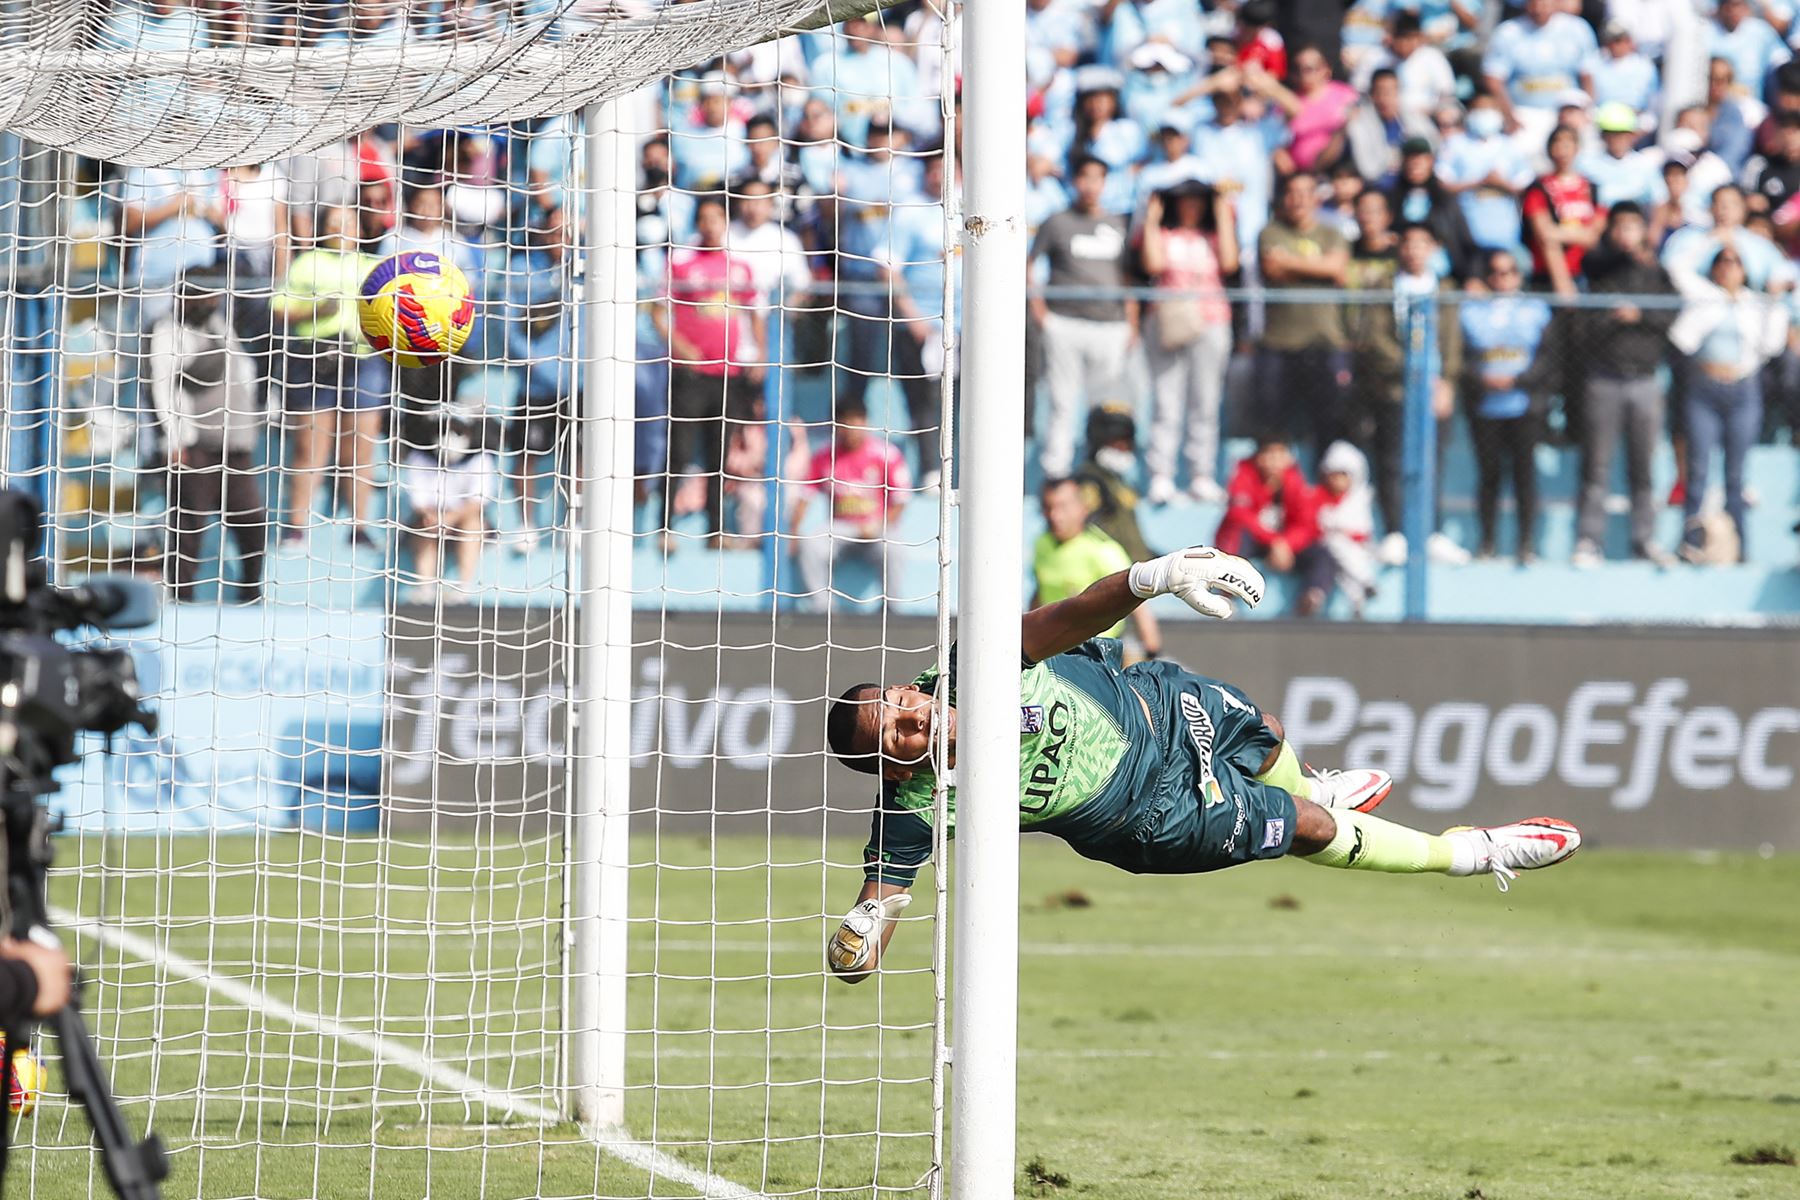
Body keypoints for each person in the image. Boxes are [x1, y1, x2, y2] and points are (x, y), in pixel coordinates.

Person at [822, 547, 1583, 982]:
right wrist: (858, 935)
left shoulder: (969, 665)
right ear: (896, 768)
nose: (916, 716)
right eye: (898, 735)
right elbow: (877, 916)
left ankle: (1310, 781)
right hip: (1149, 818)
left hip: (1152, 702)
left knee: (1268, 736)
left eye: (899, 702)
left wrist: (1155, 576)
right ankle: (1473, 852)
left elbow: (1070, 616)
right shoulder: (914, 809)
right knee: (1308, 827)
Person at [1346, 221, 1467, 567]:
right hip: (1395, 388)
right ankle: (1396, 531)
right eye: (1408, 243)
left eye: (1422, 244)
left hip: (1433, 389)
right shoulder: (1384, 287)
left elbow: (1452, 340)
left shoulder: (1443, 288)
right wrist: (1409, 365)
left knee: (1433, 462)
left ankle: (1431, 531)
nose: (1414, 250)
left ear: (1432, 249)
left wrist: (1446, 381)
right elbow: (1374, 337)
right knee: (1393, 460)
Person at [652, 194, 765, 545]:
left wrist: (760, 353)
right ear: (697, 223)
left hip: (728, 374)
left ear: (725, 223)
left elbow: (753, 313)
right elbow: (657, 309)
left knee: (720, 454)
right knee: (680, 451)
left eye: (717, 218)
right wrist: (679, 346)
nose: (711, 225)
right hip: (691, 374)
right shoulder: (681, 263)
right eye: (705, 218)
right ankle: (664, 528)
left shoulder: (740, 267)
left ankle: (715, 530)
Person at [1667, 244, 1790, 562]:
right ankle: (1691, 543)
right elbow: (1676, 266)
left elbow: (1772, 345)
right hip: (1704, 389)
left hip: (1742, 391)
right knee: (1698, 470)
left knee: (1736, 476)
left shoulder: (1756, 304)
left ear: (1745, 270)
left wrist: (1775, 302)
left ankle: (1739, 547)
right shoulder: (1703, 296)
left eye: (1735, 262)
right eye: (1722, 261)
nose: (1728, 268)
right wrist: (1713, 237)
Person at [147, 278, 266, 603]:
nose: (210, 302)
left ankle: (251, 592)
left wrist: (252, 413)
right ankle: (180, 597)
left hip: (235, 445)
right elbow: (161, 386)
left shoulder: (219, 325)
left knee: (253, 520)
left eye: (214, 296)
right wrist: (174, 439)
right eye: (204, 296)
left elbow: (244, 369)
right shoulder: (166, 331)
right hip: (194, 446)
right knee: (189, 527)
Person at [1573, 204, 1678, 569]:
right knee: (1596, 467)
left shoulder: (1656, 273)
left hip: (1645, 380)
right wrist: (1613, 316)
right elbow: (1585, 322)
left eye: (1633, 226)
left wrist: (1640, 314)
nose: (1626, 234)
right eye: (1620, 227)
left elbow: (1670, 315)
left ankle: (1644, 540)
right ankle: (1588, 540)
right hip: (1604, 378)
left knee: (1643, 469)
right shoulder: (1600, 268)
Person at [271, 204, 377, 546]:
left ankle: (359, 526)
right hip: (315, 358)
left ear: (360, 229)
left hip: (363, 359)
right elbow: (279, 307)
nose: (341, 227)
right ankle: (295, 526)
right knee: (310, 445)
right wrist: (316, 308)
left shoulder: (374, 267)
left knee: (360, 446)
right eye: (334, 221)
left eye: (348, 221)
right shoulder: (308, 262)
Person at [1030, 155, 1138, 479]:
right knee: (1062, 402)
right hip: (1064, 323)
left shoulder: (1119, 224)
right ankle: (1056, 472)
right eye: (1084, 177)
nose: (1090, 186)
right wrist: (1042, 315)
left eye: (1098, 178)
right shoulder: (1057, 222)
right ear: (1074, 181)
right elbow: (1029, 265)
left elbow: (1128, 278)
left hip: (1110, 326)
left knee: (1105, 403)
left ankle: (1102, 471)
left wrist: (1131, 323)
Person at [1139, 182, 1235, 505]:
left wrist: (1223, 214)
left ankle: (1201, 475)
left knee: (1205, 402)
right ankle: (1161, 475)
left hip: (1211, 320)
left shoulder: (1212, 237)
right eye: (1184, 201)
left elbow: (1231, 262)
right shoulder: (1165, 236)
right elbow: (1152, 264)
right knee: (1167, 401)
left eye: (1197, 201)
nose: (1190, 207)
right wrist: (1151, 220)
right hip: (1170, 322)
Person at [1459, 249, 1553, 563]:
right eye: (1497, 272)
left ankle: (1525, 544)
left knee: (1524, 476)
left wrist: (1517, 380)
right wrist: (1483, 378)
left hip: (1524, 405)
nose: (1503, 278)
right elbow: (1461, 356)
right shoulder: (1471, 311)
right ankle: (1487, 542)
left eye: (1510, 271)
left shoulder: (1536, 309)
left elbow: (1548, 356)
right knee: (1490, 476)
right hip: (1485, 407)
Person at [1257, 172, 1351, 450]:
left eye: (1304, 193)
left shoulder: (1331, 233)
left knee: (1328, 424)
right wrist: (1318, 267)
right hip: (1279, 344)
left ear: (1316, 198)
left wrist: (1289, 262)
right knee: (1274, 429)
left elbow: (1337, 268)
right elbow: (1272, 268)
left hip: (1324, 343)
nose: (1297, 200)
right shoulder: (1271, 231)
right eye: (1291, 193)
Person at [789, 400, 911, 612]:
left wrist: (878, 525)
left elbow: (901, 500)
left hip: (876, 527)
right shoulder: (825, 457)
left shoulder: (885, 454)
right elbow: (804, 496)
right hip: (840, 528)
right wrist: (793, 532)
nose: (852, 429)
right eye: (845, 423)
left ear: (865, 422)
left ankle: (892, 608)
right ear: (837, 426)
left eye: (857, 421)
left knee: (893, 548)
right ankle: (822, 608)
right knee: (811, 545)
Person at [1032, 477, 1161, 657]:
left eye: (1062, 507)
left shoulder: (1102, 550)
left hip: (1095, 654)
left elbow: (1136, 596)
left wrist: (1152, 649)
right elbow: (1041, 590)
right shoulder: (1042, 544)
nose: (1055, 516)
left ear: (1081, 508)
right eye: (1048, 507)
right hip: (1053, 651)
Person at [1212, 436, 1321, 579]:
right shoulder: (1243, 475)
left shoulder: (1296, 482)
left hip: (1282, 544)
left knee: (1321, 553)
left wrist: (1286, 543)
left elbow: (1306, 523)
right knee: (1239, 538)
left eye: (1281, 454)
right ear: (1259, 457)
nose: (1275, 461)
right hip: (1254, 541)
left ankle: (1313, 596)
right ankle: (1225, 592)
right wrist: (1274, 541)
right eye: (1270, 454)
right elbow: (1239, 515)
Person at [1300, 439, 1379, 618]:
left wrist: (1340, 530)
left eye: (1343, 475)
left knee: (1346, 552)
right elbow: (1314, 526)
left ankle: (1362, 590)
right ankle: (1363, 586)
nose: (1337, 481)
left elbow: (1362, 532)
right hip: (1328, 548)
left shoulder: (1358, 501)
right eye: (1333, 475)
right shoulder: (1318, 497)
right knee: (1336, 551)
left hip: (1354, 549)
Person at [1522, 124, 1604, 296]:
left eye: (1567, 145)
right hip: (1548, 276)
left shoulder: (1591, 187)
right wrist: (1563, 283)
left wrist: (1559, 232)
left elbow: (1593, 235)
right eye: (1557, 144)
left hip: (1586, 271)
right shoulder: (1539, 188)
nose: (1562, 151)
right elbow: (1544, 234)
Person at [1071, 403, 1155, 565]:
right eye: (1116, 444)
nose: (1123, 450)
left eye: (1126, 444)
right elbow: (1091, 533)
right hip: (1110, 574)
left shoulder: (1118, 481)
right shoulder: (1088, 481)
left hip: (1134, 573)